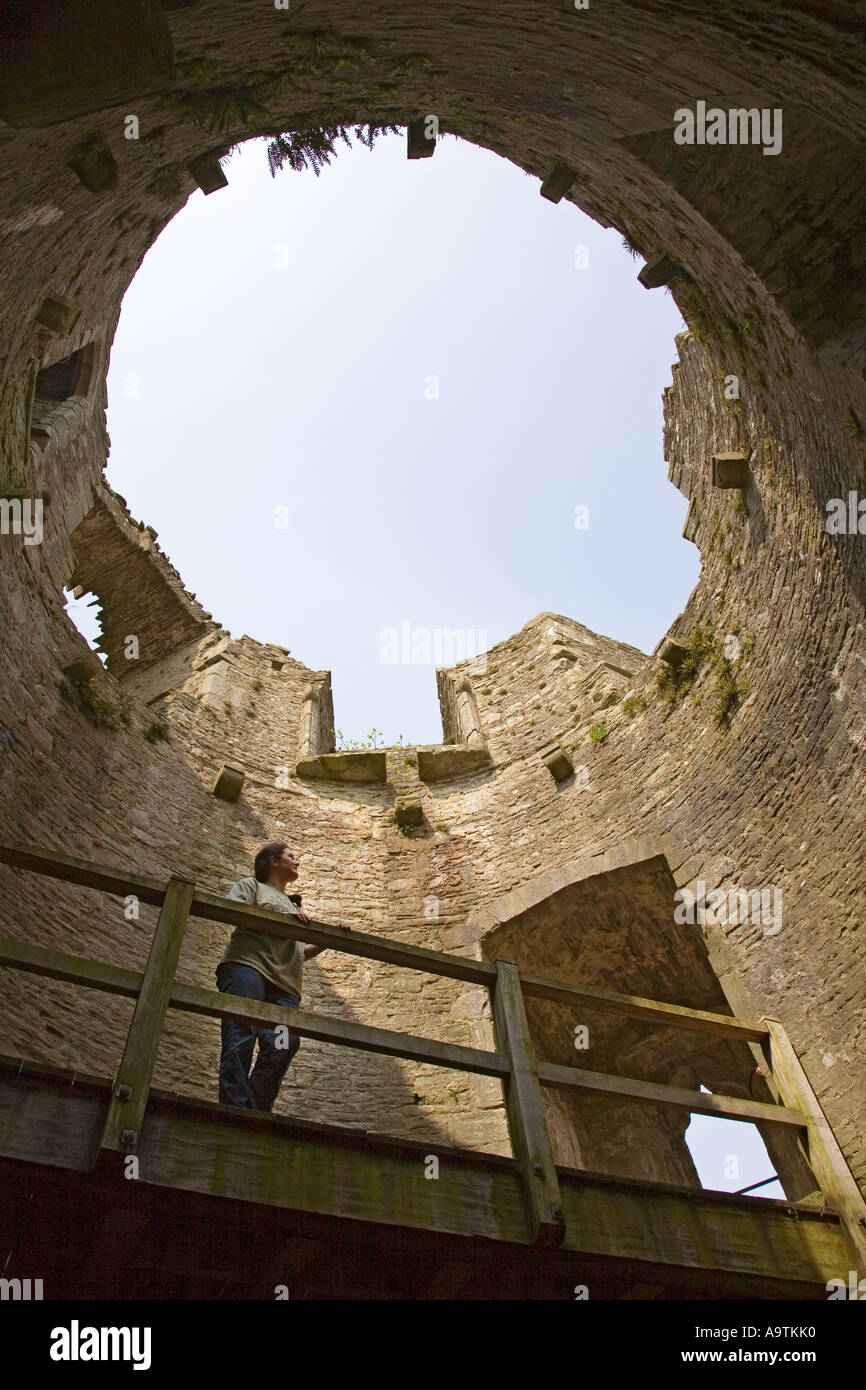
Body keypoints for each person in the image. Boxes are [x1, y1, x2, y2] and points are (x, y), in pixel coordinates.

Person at [216, 841, 349, 1111]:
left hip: (284, 983)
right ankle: (232, 1108)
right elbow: (231, 909)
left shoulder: (296, 908)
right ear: (273, 861)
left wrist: (329, 938)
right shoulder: (252, 886)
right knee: (241, 1033)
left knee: (284, 1042)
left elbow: (299, 953)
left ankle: (253, 1110)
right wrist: (282, 917)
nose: (297, 861)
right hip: (248, 967)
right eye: (291, 856)